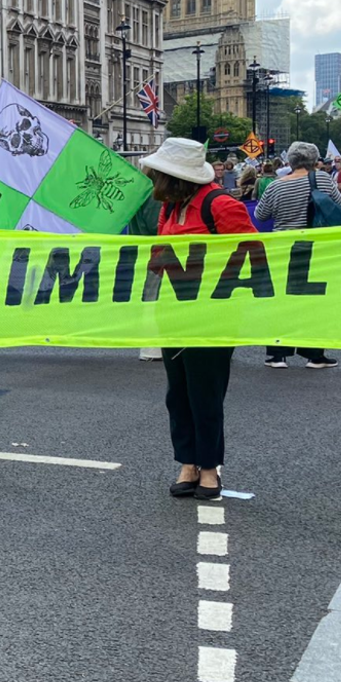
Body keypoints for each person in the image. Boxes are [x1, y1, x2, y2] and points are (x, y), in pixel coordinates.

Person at [140, 138, 256, 502]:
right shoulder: (170, 209)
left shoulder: (220, 204)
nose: (153, 179)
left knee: (205, 393)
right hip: (174, 311)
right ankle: (187, 463)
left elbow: (254, 254)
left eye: (158, 173)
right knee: (178, 394)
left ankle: (208, 468)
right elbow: (160, 254)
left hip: (213, 315)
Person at [254, 142, 339, 368]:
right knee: (312, 301)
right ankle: (313, 354)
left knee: (280, 301)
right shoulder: (322, 179)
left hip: (282, 248)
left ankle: (277, 354)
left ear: (290, 161)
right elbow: (337, 205)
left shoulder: (275, 186)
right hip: (313, 248)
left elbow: (261, 215)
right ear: (314, 160)